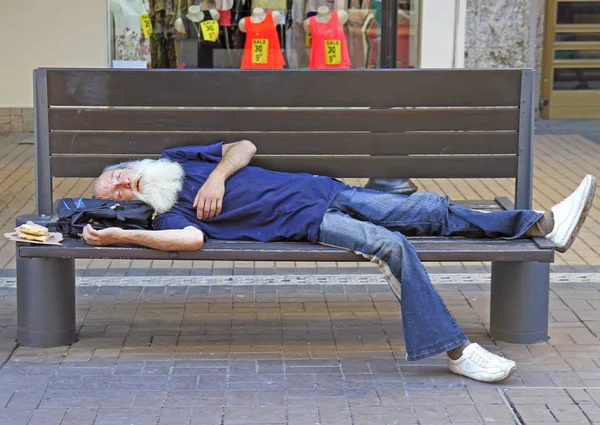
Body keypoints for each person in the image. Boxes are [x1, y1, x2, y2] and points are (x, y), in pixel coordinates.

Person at [88, 140, 596, 383]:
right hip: (305, 222)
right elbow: (192, 242)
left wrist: (218, 176)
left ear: (130, 165)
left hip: (324, 189)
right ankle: (458, 351)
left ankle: (540, 225)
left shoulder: (175, 161)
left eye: (116, 177)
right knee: (394, 245)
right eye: (112, 195)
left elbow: (242, 146)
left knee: (424, 210)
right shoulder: (160, 215)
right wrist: (118, 234)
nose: (119, 188)